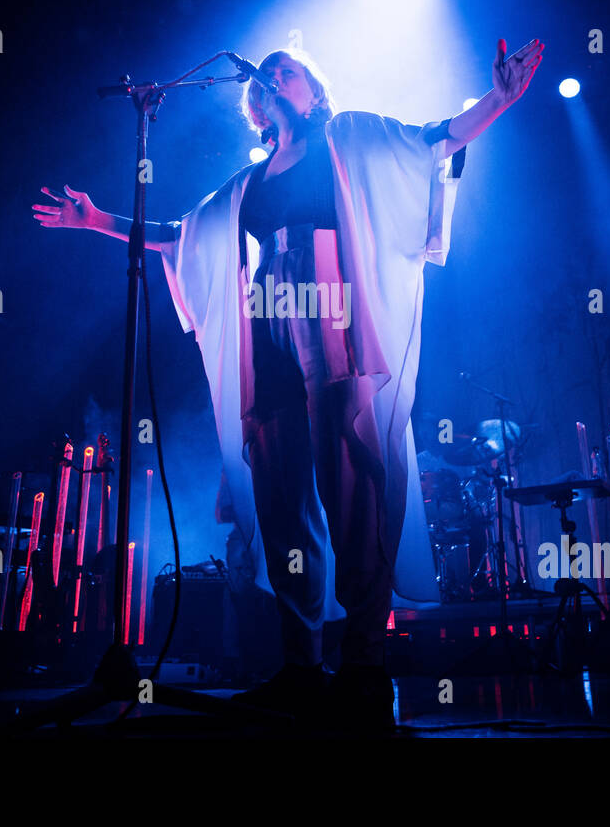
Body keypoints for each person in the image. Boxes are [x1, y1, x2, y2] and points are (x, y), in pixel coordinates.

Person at [33, 40, 543, 725]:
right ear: (257, 105)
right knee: (280, 497)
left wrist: (499, 100)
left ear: (312, 90)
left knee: (352, 483)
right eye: (267, 74)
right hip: (266, 322)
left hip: (331, 311)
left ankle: (364, 664)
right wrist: (97, 221)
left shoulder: (351, 136)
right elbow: (182, 234)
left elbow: (433, 141)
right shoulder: (249, 182)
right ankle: (301, 665)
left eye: (288, 70)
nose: (274, 76)